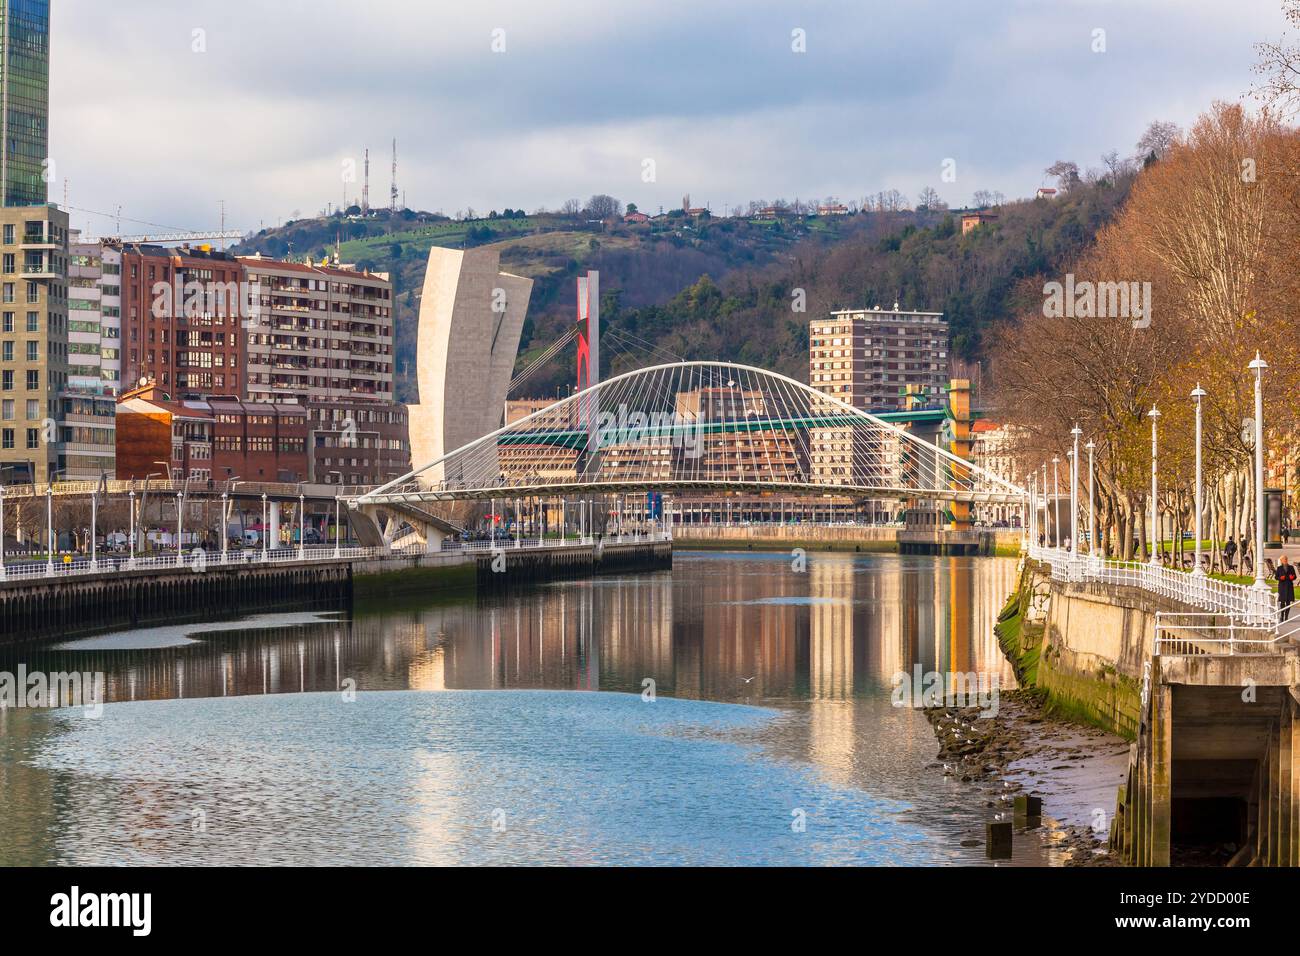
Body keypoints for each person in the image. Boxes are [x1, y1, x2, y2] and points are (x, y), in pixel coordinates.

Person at [1277, 555, 1298, 622]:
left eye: (1286, 559)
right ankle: (1282, 616)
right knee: (1282, 602)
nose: (1285, 560)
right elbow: (1276, 577)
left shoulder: (1291, 567)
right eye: (1284, 559)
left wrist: (1292, 577)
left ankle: (1286, 617)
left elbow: (1295, 576)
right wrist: (1280, 578)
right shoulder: (1279, 568)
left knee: (1288, 602)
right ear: (1281, 561)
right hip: (1282, 587)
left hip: (1289, 586)